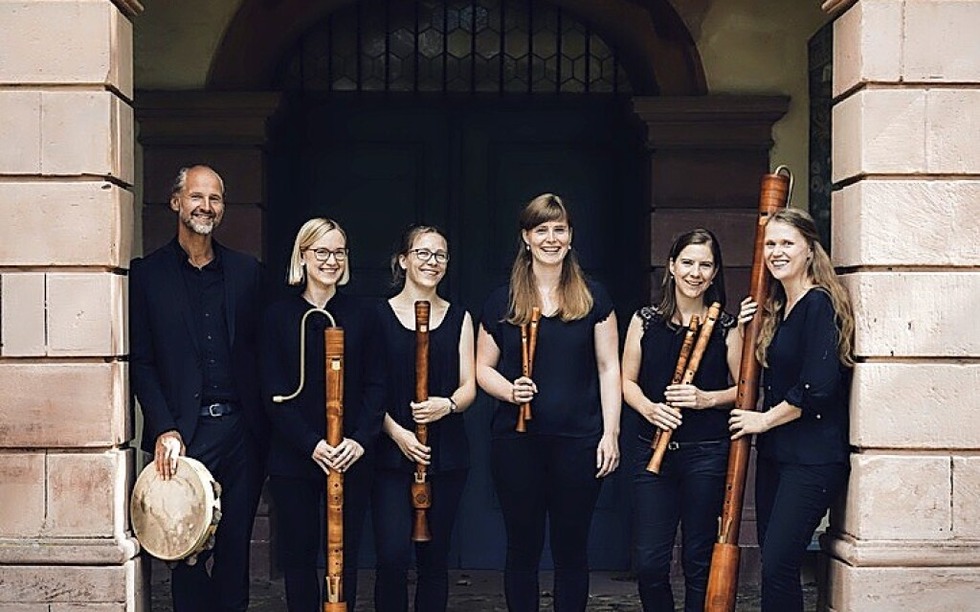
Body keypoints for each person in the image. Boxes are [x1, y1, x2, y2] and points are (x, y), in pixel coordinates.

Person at [129, 164, 267, 612]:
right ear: (176, 202)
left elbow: (264, 353)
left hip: (241, 435)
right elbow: (143, 364)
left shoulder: (247, 272)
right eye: (196, 197)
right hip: (183, 438)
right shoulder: (147, 275)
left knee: (234, 556)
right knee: (185, 555)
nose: (206, 206)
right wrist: (164, 428)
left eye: (215, 199)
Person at [475, 193, 621, 611]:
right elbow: (482, 369)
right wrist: (509, 390)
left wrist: (610, 434)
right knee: (522, 547)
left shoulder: (594, 296)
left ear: (571, 237)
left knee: (572, 549)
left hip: (579, 441)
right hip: (517, 442)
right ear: (526, 237)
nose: (551, 238)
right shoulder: (502, 299)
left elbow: (609, 367)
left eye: (559, 229)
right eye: (542, 230)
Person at [729, 208, 854, 612]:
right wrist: (744, 330)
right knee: (774, 566)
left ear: (809, 250)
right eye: (770, 244)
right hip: (779, 455)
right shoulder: (781, 308)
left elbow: (818, 388)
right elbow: (756, 378)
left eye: (787, 243)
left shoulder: (819, 304)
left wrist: (763, 420)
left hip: (813, 458)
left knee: (780, 564)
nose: (776, 252)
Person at [259, 218, 384, 611]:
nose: (331, 261)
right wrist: (312, 444)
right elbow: (272, 392)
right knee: (298, 553)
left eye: (339, 252)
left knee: (345, 552)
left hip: (350, 455)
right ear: (303, 256)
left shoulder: (363, 314)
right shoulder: (278, 315)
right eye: (322, 252)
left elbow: (377, 386)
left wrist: (359, 441)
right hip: (295, 456)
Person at [622, 229, 744, 611]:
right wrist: (649, 408)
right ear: (672, 267)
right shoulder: (644, 320)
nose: (695, 273)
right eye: (687, 263)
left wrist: (706, 399)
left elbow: (744, 391)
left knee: (698, 561)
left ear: (714, 272)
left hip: (706, 454)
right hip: (651, 452)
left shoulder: (726, 326)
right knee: (649, 564)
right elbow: (626, 381)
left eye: (705, 265)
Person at [371, 226, 477, 612]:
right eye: (423, 253)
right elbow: (367, 392)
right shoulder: (377, 316)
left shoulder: (460, 316)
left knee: (434, 562)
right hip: (390, 453)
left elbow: (470, 386)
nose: (432, 262)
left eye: (440, 255)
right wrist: (397, 433)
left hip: (445, 454)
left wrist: (445, 405)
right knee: (392, 559)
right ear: (403, 259)